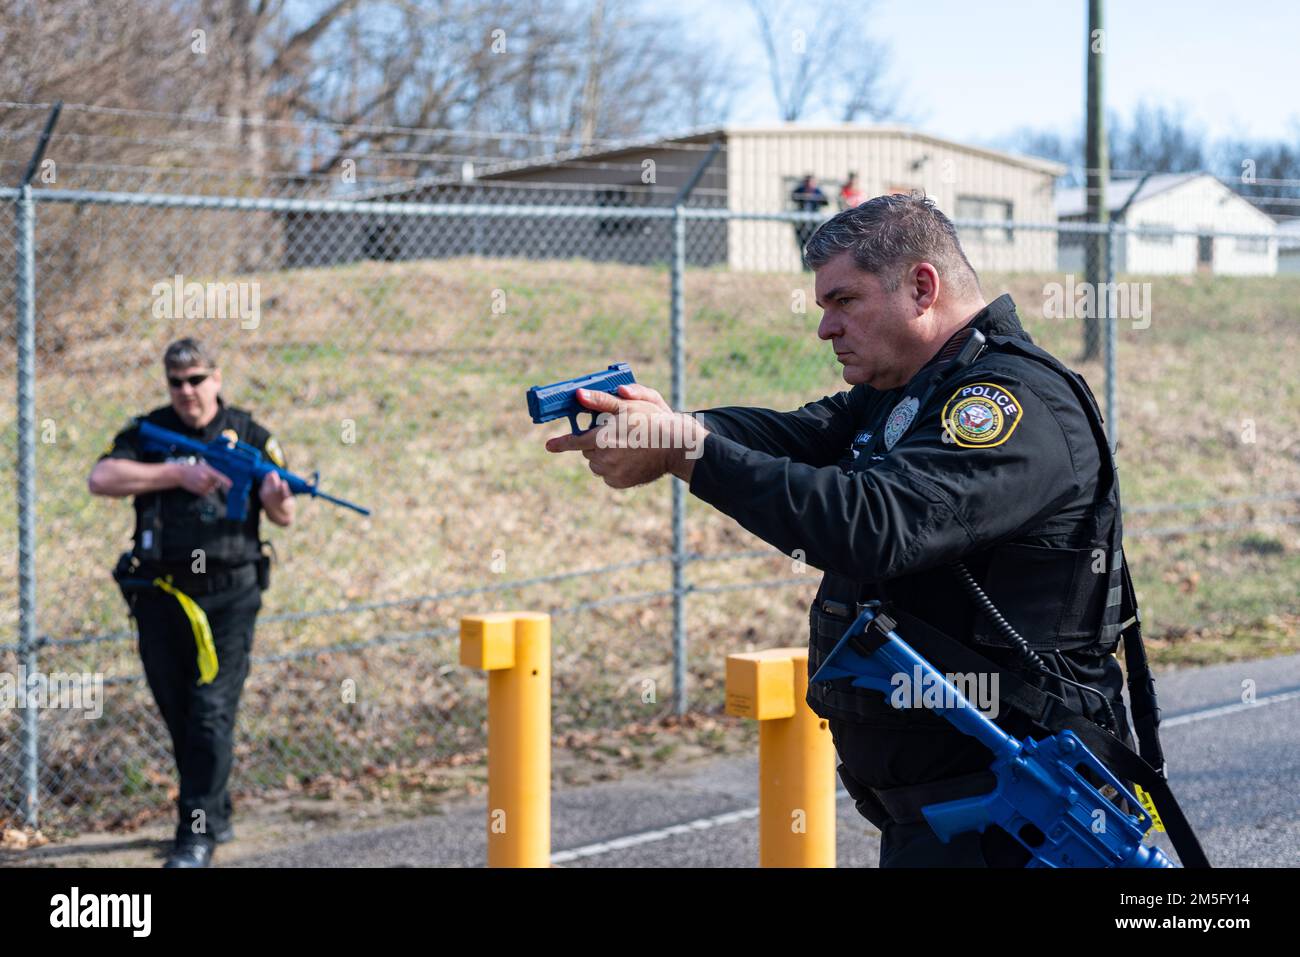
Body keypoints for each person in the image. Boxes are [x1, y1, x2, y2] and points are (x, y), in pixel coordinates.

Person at [544, 192, 1191, 867]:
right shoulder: (912, 390)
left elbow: (874, 524)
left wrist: (686, 450)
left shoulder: (1008, 404)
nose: (825, 328)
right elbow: (798, 436)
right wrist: (671, 424)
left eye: (843, 301)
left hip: (1022, 812)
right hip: (959, 811)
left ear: (921, 287)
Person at [88, 338, 294, 868]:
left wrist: (275, 499)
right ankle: (215, 812)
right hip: (159, 595)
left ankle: (194, 834)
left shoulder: (249, 434)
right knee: (180, 712)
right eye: (176, 382)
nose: (187, 392)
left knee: (210, 712)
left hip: (229, 594)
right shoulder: (147, 432)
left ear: (218, 378)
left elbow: (284, 512)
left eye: (197, 379)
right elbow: (102, 477)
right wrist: (176, 474)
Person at [790, 174, 829, 266]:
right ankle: (803, 264)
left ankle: (810, 264)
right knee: (801, 244)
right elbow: (793, 197)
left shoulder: (818, 191)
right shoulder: (800, 190)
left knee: (812, 242)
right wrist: (804, 196)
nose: (809, 185)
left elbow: (825, 202)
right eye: (807, 182)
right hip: (801, 223)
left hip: (813, 222)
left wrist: (814, 198)